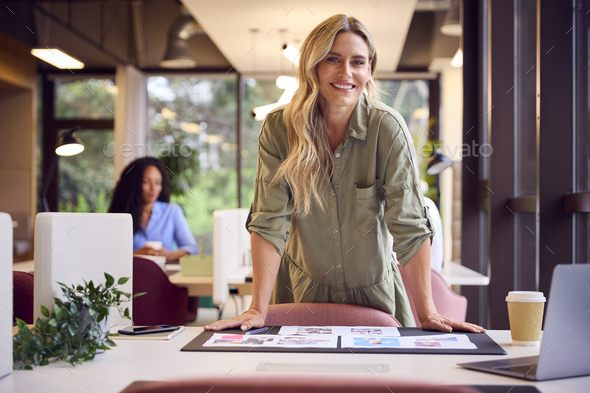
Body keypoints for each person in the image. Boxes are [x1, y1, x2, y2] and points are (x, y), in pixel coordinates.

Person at [205, 15, 483, 334]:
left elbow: (409, 226)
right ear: (313, 66)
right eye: (332, 59)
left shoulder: (387, 129)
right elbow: (269, 222)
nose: (345, 73)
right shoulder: (279, 129)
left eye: (358, 62)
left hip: (375, 296)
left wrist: (428, 312)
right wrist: (256, 308)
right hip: (301, 292)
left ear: (369, 70)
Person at [108, 156, 198, 261]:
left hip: (163, 275)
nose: (153, 188)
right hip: (130, 276)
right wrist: (135, 255)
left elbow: (192, 249)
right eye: (146, 182)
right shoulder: (120, 215)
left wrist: (168, 255)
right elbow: (108, 255)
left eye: (158, 183)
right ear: (134, 184)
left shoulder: (172, 211)